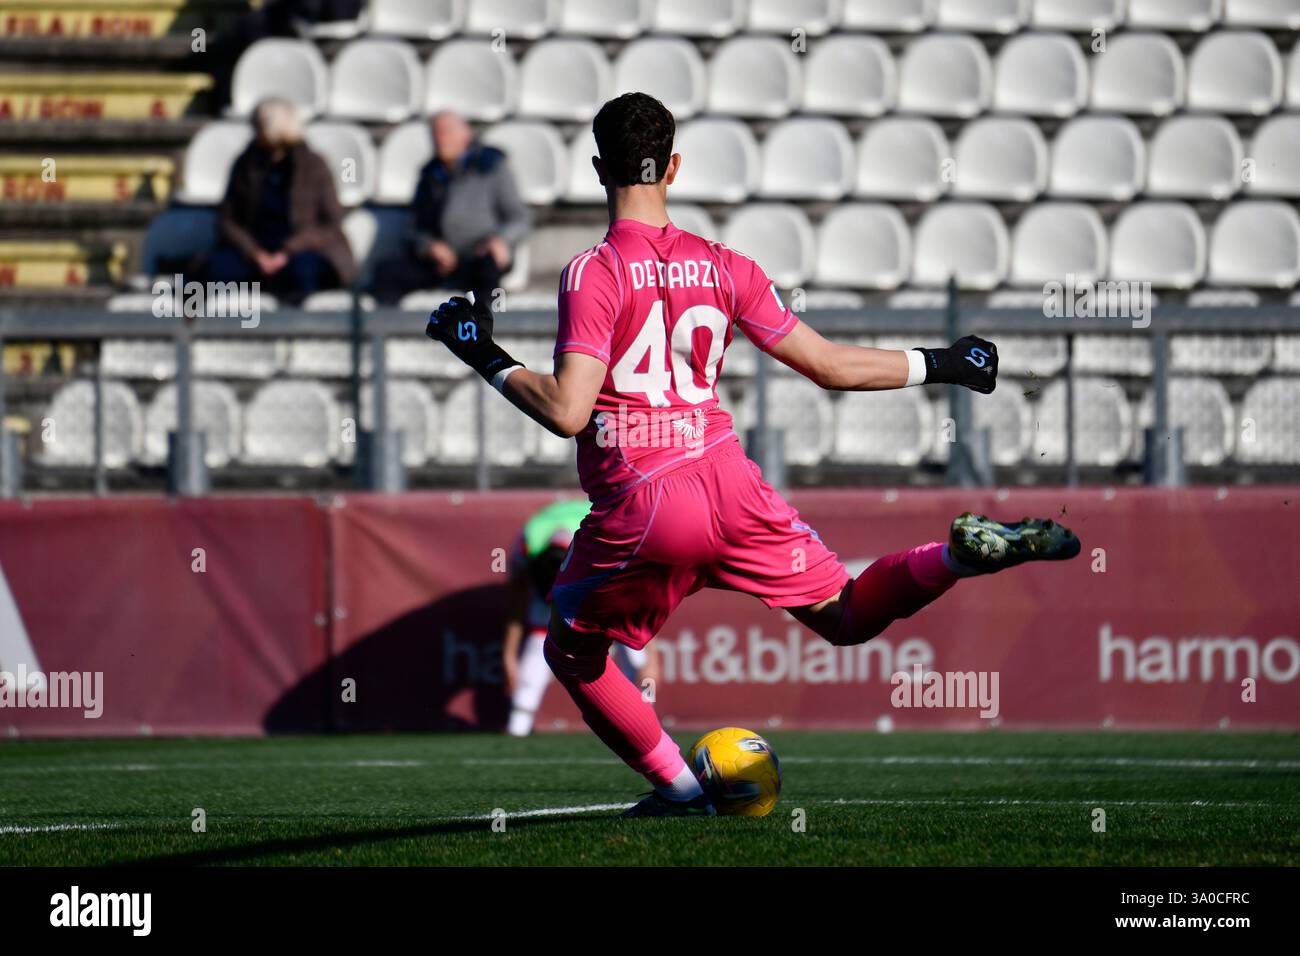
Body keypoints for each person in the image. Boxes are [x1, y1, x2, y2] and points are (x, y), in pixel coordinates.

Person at [426, 93, 1081, 817]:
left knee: (571, 654)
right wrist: (946, 363)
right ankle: (960, 558)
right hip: (730, 482)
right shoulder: (724, 265)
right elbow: (830, 366)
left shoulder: (593, 270)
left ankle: (678, 790)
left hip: (644, 501)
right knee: (849, 613)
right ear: (673, 167)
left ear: (596, 169)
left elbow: (566, 410)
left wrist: (477, 350)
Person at [503, 499, 657, 737]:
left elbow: (638, 595)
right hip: (574, 566)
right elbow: (517, 601)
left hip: (602, 575)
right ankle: (519, 721)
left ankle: (640, 721)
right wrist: (509, 656)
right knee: (538, 646)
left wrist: (650, 653)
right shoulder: (527, 544)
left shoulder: (609, 539)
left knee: (637, 657)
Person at [204, 97, 354, 304]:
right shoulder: (245, 164)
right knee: (218, 269)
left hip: (302, 250)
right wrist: (255, 253)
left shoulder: (314, 165)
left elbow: (332, 224)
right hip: (255, 250)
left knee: (304, 271)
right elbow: (227, 220)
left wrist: (288, 251)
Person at [374, 111, 531, 306]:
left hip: (478, 258)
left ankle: (483, 333)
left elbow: (520, 219)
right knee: (387, 273)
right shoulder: (429, 175)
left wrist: (500, 241)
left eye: (446, 132)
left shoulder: (491, 167)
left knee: (488, 273)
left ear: (465, 135)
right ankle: (387, 333)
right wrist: (429, 247)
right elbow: (412, 228)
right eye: (435, 133)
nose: (440, 139)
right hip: (439, 264)